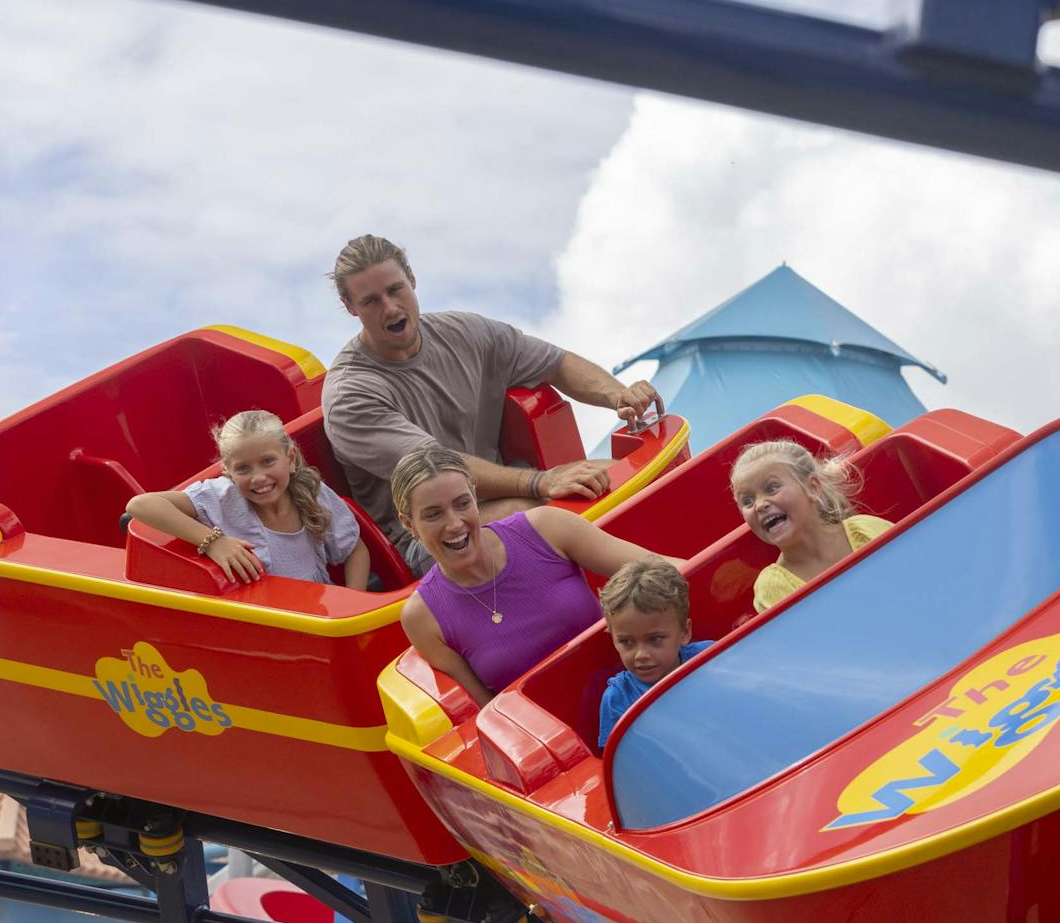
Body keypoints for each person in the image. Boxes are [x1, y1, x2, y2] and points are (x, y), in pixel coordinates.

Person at [321, 234, 662, 573]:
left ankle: (675, 577)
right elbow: (440, 469)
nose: (390, 308)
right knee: (548, 515)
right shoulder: (350, 394)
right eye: (371, 301)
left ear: (412, 279)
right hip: (432, 536)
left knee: (630, 477)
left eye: (395, 290)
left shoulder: (463, 332)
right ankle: (660, 578)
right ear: (351, 308)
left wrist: (619, 395)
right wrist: (540, 482)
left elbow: (555, 363)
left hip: (506, 495)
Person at [393, 444, 678, 706]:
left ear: (474, 494)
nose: (454, 523)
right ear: (409, 525)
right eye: (433, 515)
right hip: (562, 749)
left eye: (462, 503)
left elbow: (665, 569)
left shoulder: (545, 527)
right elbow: (488, 712)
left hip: (648, 694)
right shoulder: (422, 617)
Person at [126, 410, 368, 588]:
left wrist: (353, 603)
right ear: (228, 472)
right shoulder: (221, 497)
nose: (258, 478)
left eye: (267, 462)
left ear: (290, 458)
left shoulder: (313, 492)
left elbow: (355, 550)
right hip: (257, 619)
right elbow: (140, 505)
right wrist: (213, 542)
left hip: (317, 614)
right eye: (243, 469)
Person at [730, 440, 894, 612]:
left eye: (772, 488)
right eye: (748, 501)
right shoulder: (773, 587)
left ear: (812, 487)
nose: (760, 504)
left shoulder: (866, 529)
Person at [596, 560, 713, 748]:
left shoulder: (710, 659)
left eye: (655, 639)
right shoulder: (618, 698)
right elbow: (620, 762)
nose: (640, 654)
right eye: (626, 642)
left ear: (684, 632)